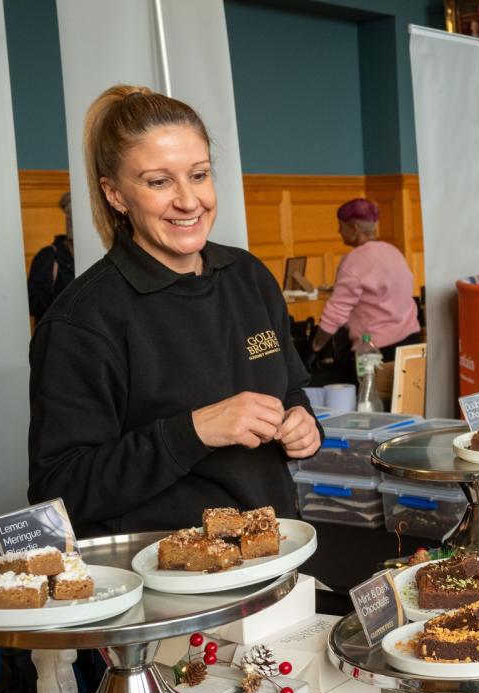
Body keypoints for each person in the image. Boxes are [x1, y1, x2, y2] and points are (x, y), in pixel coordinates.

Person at [28, 85, 321, 536]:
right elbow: (60, 490)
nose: (188, 201)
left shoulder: (248, 276)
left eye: (199, 175)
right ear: (116, 195)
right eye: (158, 182)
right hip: (168, 580)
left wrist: (303, 423)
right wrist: (193, 431)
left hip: (276, 549)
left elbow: (292, 390)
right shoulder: (83, 321)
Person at [311, 198, 420, 365]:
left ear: (354, 229)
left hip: (377, 350)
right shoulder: (393, 252)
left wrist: (315, 347)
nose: (338, 231)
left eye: (341, 226)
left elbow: (336, 311)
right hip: (411, 341)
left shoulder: (354, 260)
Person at [26, 192, 75, 323]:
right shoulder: (48, 256)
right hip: (56, 336)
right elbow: (33, 304)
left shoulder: (100, 255)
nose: (70, 223)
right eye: (69, 218)